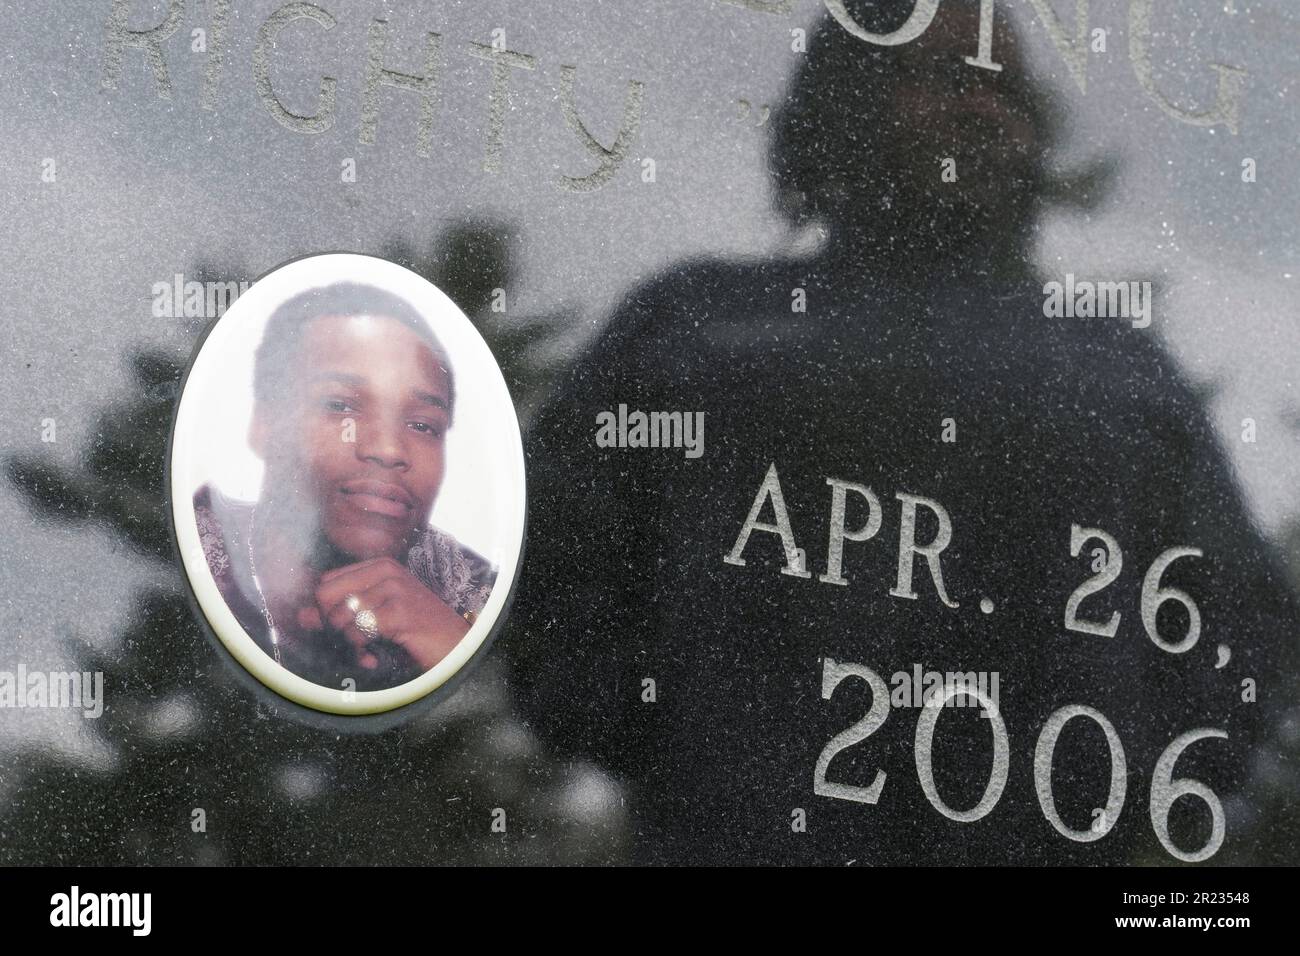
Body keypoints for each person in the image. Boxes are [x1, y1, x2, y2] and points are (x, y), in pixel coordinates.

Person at [504, 0, 1299, 863]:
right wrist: (690, 737)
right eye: (947, 75)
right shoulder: (698, 326)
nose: (984, 107)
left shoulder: (1119, 369)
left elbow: (1242, 635)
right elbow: (551, 573)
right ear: (843, 99)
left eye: (1010, 91)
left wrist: (1109, 795)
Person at [193, 282, 496, 692]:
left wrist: (455, 652)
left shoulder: (475, 597)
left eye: (422, 425)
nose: (388, 449)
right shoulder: (179, 562)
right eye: (340, 406)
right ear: (264, 424)